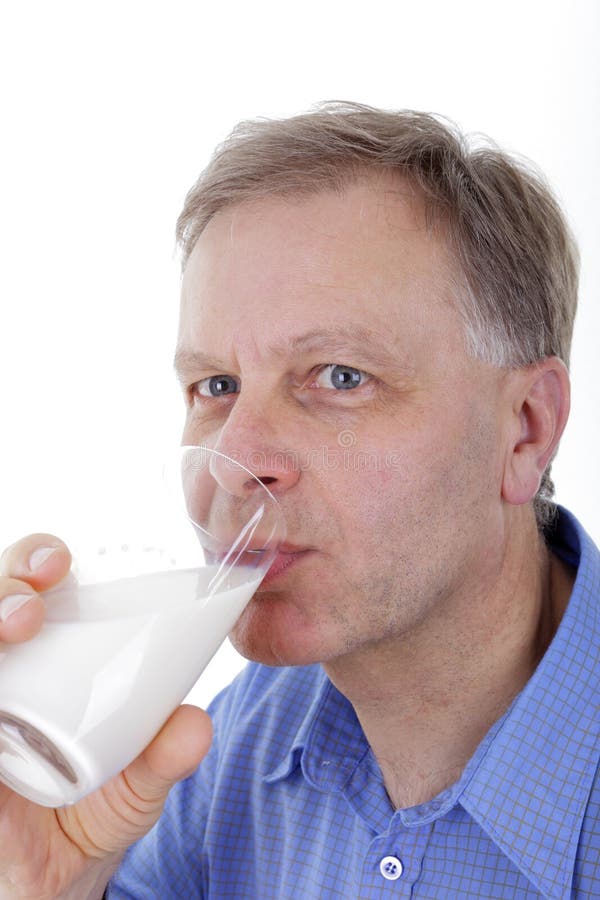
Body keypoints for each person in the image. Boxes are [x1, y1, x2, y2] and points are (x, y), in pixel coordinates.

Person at [0, 102, 598, 899]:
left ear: (525, 430)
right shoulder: (229, 754)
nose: (234, 463)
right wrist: (47, 884)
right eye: (216, 385)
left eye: (340, 377)